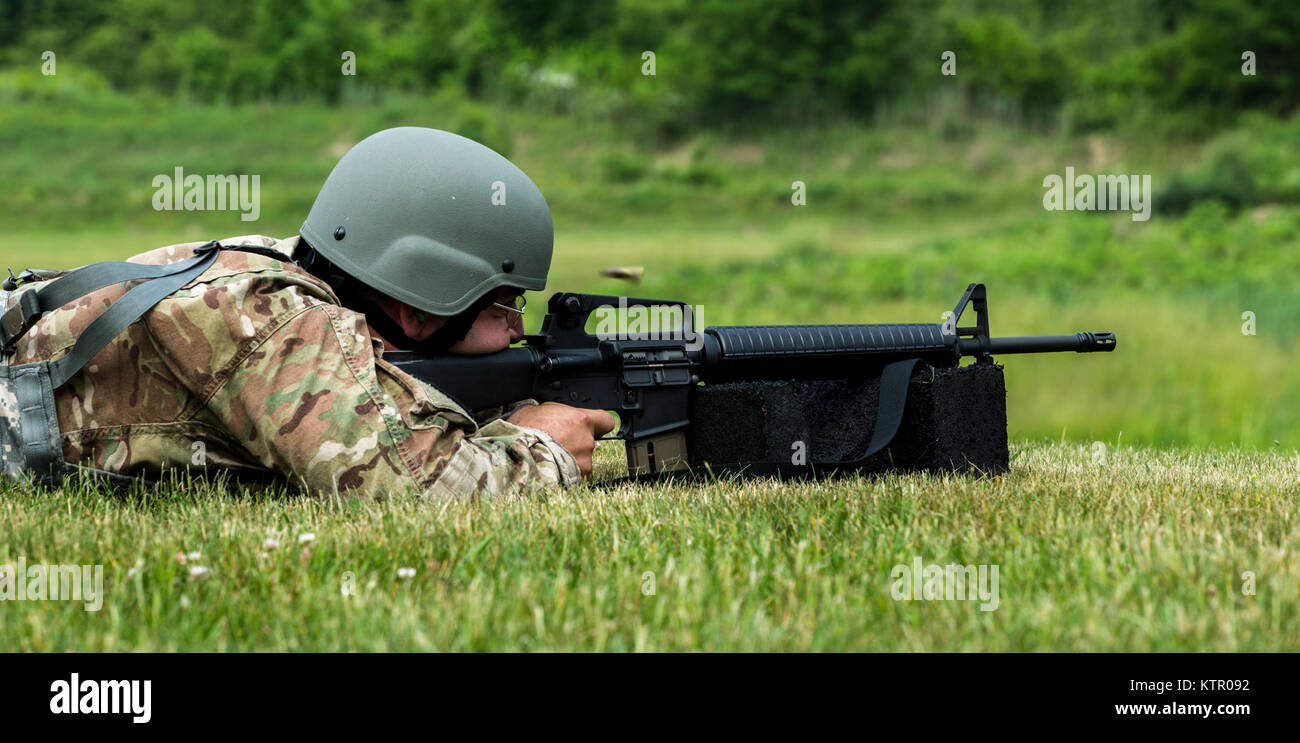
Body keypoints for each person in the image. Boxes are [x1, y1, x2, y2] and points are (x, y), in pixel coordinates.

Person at [0, 127, 615, 498]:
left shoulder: (286, 269)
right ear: (420, 301)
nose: (516, 328)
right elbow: (414, 490)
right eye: (505, 304)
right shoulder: (271, 318)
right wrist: (543, 447)